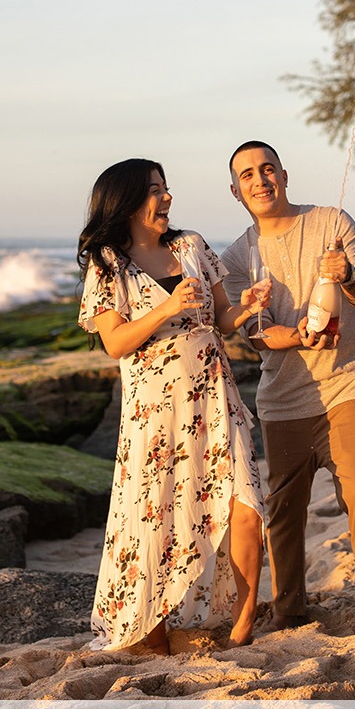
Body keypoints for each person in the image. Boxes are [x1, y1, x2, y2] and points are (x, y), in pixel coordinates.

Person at [77, 158, 269, 653]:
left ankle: (243, 628)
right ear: (125, 200)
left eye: (166, 189)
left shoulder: (192, 246)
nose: (166, 198)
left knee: (246, 509)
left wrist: (247, 304)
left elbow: (222, 318)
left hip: (215, 399)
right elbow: (116, 343)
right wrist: (166, 308)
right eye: (155, 191)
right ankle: (152, 632)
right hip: (155, 416)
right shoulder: (105, 262)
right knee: (155, 519)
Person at [219, 140, 355, 633]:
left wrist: (349, 274)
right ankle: (290, 612)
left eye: (267, 169)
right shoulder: (236, 259)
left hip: (348, 382)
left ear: (284, 174)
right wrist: (298, 336)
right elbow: (256, 333)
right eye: (247, 175)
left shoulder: (333, 223)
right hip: (283, 399)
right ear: (236, 191)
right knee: (284, 511)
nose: (260, 180)